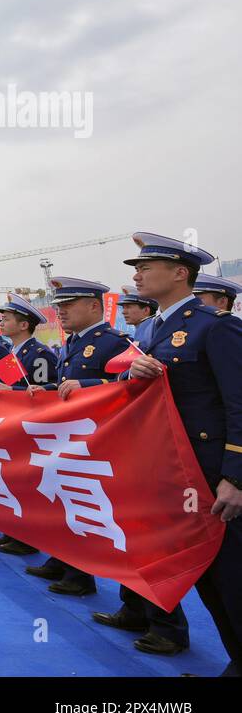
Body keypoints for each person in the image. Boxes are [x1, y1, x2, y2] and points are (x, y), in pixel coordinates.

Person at [120, 233, 242, 670]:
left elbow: (238, 402)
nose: (136, 275)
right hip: (174, 470)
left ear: (179, 273)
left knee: (231, 578)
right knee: (206, 577)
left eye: (145, 267)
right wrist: (133, 374)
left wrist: (236, 476)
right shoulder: (154, 329)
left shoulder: (215, 324)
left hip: (213, 474)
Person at [22, 276, 132, 597]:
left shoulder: (114, 342)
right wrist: (46, 390)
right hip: (73, 440)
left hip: (104, 443)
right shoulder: (72, 342)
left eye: (68, 306)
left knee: (108, 516)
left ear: (94, 306)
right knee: (68, 505)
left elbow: (129, 385)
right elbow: (66, 384)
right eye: (60, 307)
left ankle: (148, 615)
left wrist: (90, 386)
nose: (62, 313)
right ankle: (71, 568)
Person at [0, 293, 59, 556]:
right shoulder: (12, 352)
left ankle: (30, 539)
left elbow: (42, 393)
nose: (2, 323)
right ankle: (15, 532)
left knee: (31, 486)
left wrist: (11, 391)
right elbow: (10, 387)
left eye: (6, 319)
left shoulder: (38, 354)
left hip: (32, 431)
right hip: (13, 428)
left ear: (24, 324)